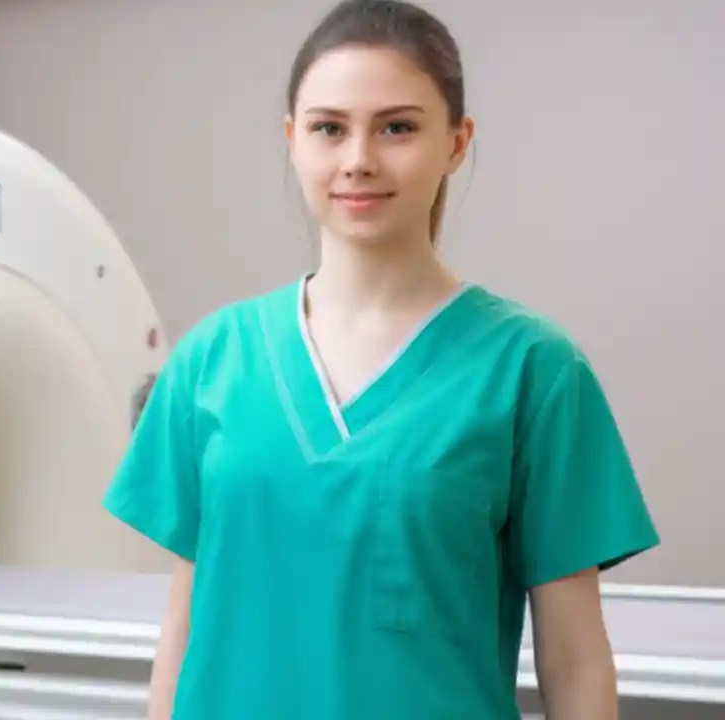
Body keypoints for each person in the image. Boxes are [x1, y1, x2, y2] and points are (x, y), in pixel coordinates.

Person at [101, 1, 660, 718]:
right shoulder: (212, 360)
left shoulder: (533, 371)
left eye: (397, 127)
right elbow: (184, 623)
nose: (358, 159)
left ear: (457, 143)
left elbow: (574, 656)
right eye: (329, 128)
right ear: (292, 140)